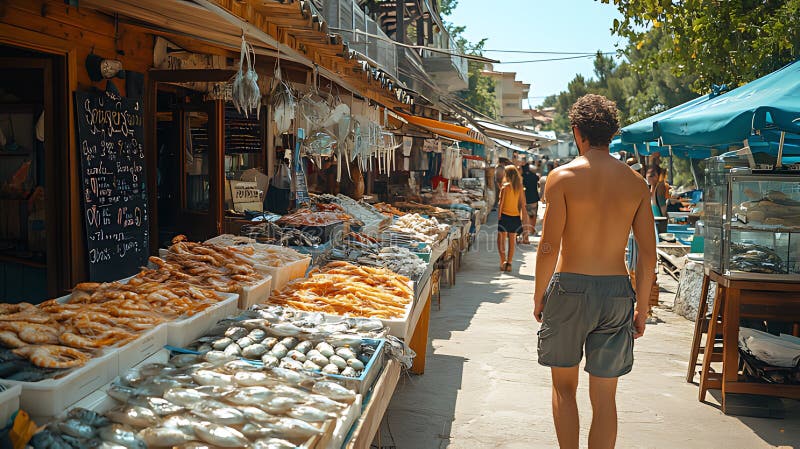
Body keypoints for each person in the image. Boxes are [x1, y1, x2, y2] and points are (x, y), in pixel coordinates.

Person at [533, 94, 656, 449]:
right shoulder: (636, 183)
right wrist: (643, 308)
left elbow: (548, 247)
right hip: (616, 292)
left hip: (569, 289)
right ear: (612, 133)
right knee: (605, 398)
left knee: (563, 388)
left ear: (576, 132)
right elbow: (648, 255)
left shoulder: (562, 177)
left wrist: (539, 293)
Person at [497, 165, 526, 272]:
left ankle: (502, 261)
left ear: (507, 175)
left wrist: (499, 217)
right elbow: (522, 204)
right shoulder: (520, 188)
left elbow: (501, 203)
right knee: (512, 241)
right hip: (515, 217)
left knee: (500, 241)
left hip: (505, 216)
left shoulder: (505, 187)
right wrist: (522, 218)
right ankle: (509, 263)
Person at [520, 164, 541, 244]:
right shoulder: (535, 176)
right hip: (534, 197)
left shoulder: (522, 177)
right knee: (533, 214)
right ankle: (532, 230)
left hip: (526, 198)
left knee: (527, 215)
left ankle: (528, 230)